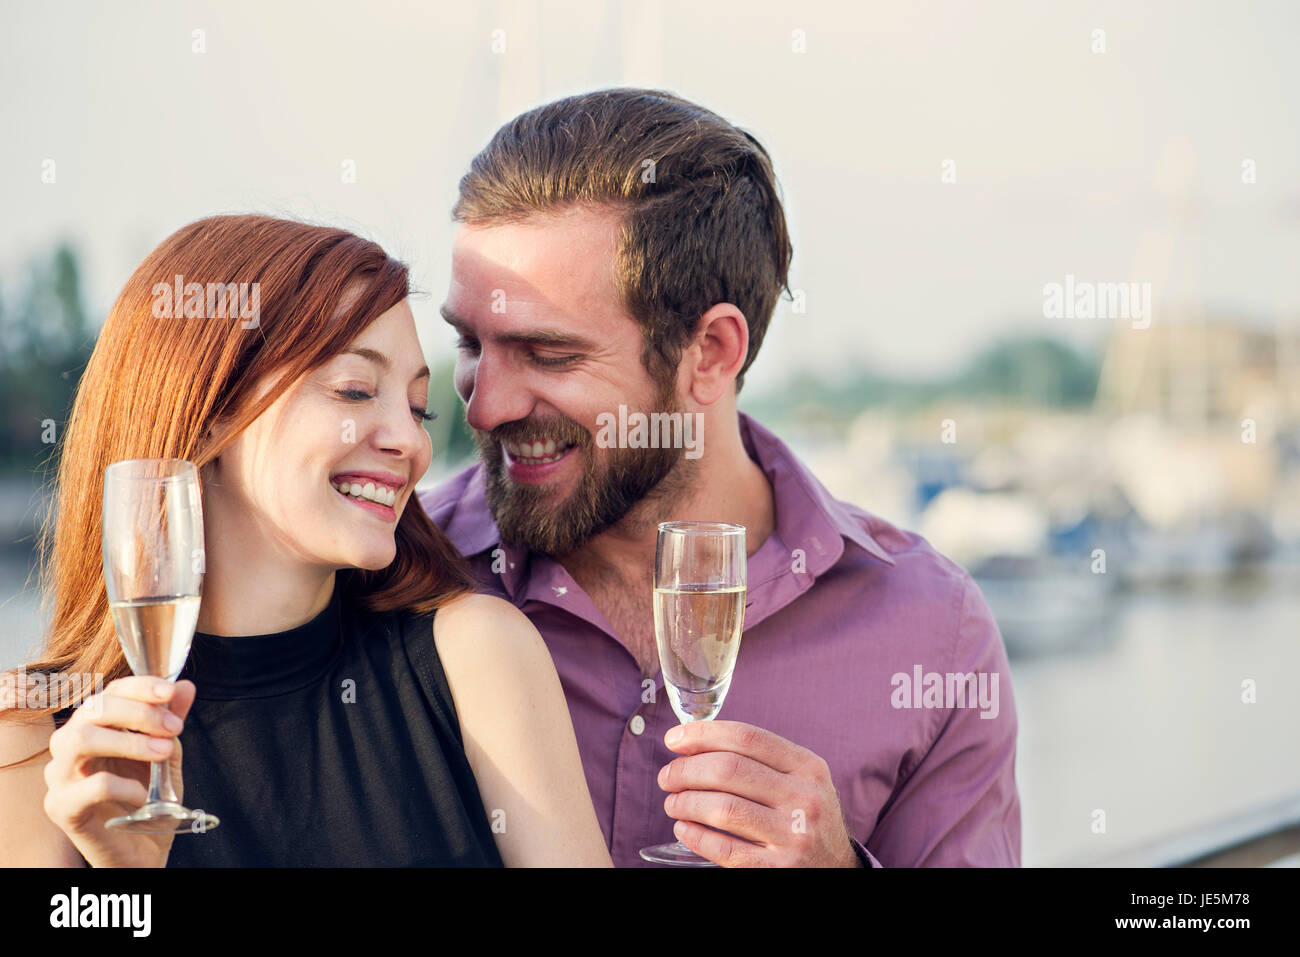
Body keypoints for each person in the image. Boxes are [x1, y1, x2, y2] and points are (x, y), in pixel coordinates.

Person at [423, 87, 1022, 867]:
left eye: (549, 354)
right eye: (470, 343)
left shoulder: (933, 637)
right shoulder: (397, 578)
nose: (486, 405)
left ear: (710, 353)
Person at [0, 214, 612, 868]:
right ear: (208, 417)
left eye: (417, 407)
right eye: (355, 389)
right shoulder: (34, 741)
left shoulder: (476, 658)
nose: (411, 443)